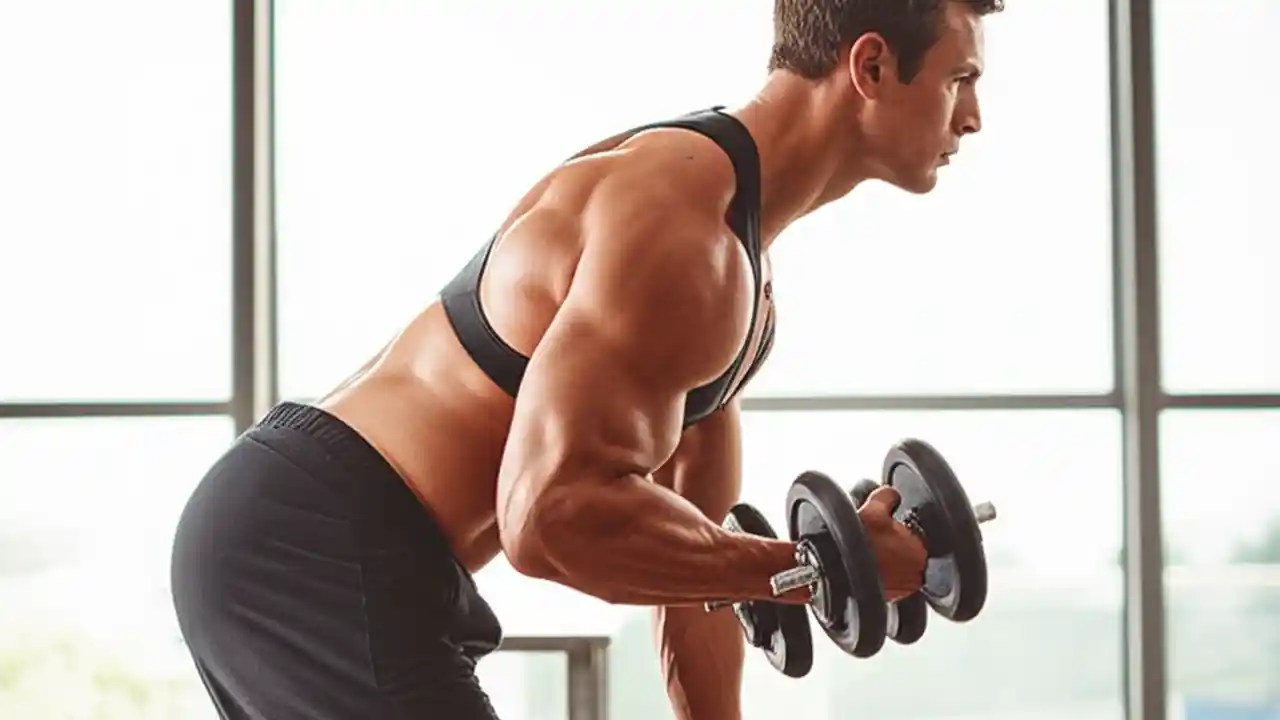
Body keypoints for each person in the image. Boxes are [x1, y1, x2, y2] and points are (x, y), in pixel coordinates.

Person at [170, 0, 1000, 718]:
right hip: (316, 539)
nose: (973, 118)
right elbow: (550, 520)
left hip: (332, 542)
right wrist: (812, 568)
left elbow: (694, 581)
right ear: (872, 65)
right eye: (961, 79)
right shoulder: (683, 231)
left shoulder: (740, 283)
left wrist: (791, 588)